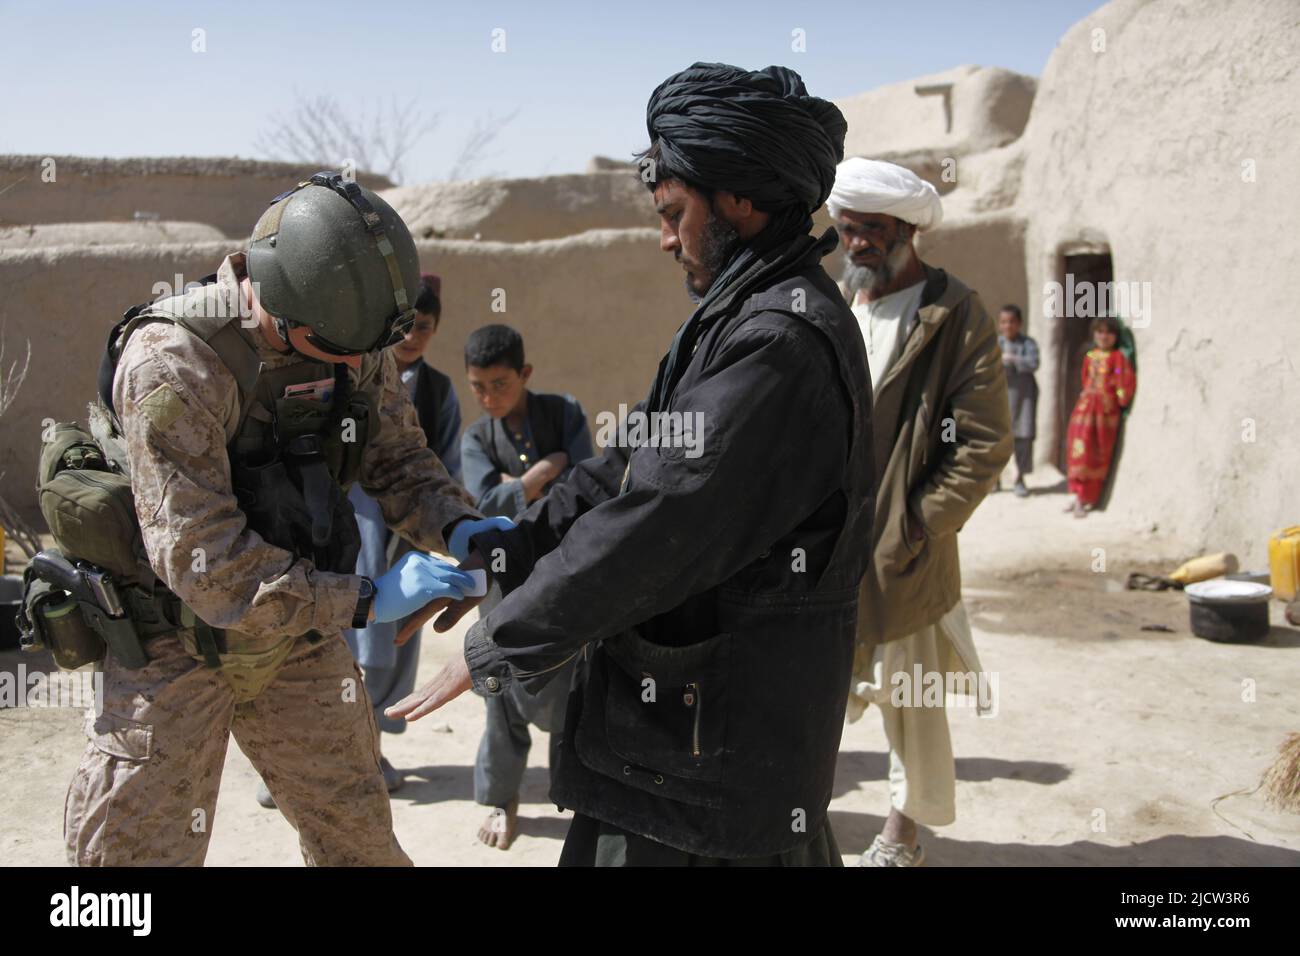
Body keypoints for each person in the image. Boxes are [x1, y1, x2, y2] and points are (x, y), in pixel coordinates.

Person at [388, 62, 875, 867]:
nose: (662, 238)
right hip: (679, 753)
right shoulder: (739, 318)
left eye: (675, 213)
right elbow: (627, 466)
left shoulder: (779, 344)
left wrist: (498, 641)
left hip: (714, 762)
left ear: (741, 201)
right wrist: (503, 555)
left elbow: (660, 517)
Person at [62, 172, 499, 866]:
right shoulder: (175, 364)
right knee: (132, 865)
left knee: (358, 842)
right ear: (275, 302)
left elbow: (395, 455)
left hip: (296, 632)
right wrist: (366, 600)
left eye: (369, 350)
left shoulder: (349, 331)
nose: (360, 366)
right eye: (340, 350)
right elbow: (202, 561)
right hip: (173, 641)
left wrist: (459, 526)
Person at [826, 157, 1011, 867]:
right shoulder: (843, 300)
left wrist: (917, 526)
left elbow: (986, 443)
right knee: (815, 685)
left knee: (911, 698)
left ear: (907, 229)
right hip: (830, 542)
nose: (857, 244)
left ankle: (902, 838)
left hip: (903, 551)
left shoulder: (953, 313)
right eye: (847, 231)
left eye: (871, 231)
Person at [253, 273, 465, 807]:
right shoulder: (345, 368)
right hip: (348, 530)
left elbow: (433, 465)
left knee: (386, 654)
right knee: (333, 643)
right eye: (405, 326)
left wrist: (457, 526)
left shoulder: (435, 389)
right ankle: (297, 763)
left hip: (404, 537)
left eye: (424, 327)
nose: (413, 336)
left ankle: (363, 749)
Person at [457, 323, 593, 849]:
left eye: (500, 384)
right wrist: (542, 471)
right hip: (502, 581)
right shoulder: (475, 438)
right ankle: (500, 796)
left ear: (525, 374)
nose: (489, 397)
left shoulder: (564, 412)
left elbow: (585, 481)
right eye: (478, 387)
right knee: (499, 684)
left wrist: (523, 487)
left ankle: (573, 791)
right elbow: (482, 504)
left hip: (564, 571)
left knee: (571, 682)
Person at [1065, 315, 1135, 516]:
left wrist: (1119, 401)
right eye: (1100, 332)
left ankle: (1086, 497)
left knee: (1094, 452)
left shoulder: (1117, 358)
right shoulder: (1090, 356)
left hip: (1103, 414)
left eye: (1109, 333)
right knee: (1077, 448)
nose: (1104, 337)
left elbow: (1123, 381)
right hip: (1085, 409)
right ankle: (1075, 494)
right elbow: (1086, 379)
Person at [997, 304, 1040, 497]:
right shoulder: (994, 344)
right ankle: (994, 479)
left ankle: (1019, 478)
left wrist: (1013, 358)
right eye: (1004, 322)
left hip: (1024, 398)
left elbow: (1033, 363)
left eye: (1012, 321)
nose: (1008, 325)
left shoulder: (1028, 344)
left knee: (1023, 437)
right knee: (996, 438)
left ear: (1019, 323)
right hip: (999, 397)